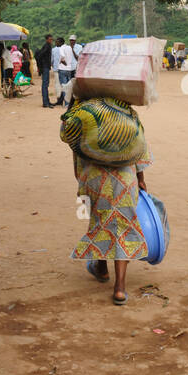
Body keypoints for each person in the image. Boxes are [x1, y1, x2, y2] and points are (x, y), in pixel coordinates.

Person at [66, 101, 154, 305]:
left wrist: (83, 183)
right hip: (125, 180)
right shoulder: (126, 113)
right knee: (122, 227)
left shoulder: (83, 114)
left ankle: (102, 268)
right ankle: (120, 288)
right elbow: (139, 149)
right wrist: (140, 179)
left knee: (100, 222)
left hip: (94, 179)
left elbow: (76, 156)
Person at [55, 36, 75, 106]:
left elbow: (62, 57)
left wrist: (63, 62)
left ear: (60, 42)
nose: (55, 43)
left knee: (64, 87)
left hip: (63, 69)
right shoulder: (69, 47)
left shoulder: (61, 48)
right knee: (69, 87)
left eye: (57, 42)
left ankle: (66, 103)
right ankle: (69, 103)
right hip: (69, 70)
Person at [36, 34, 55, 107]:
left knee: (46, 84)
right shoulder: (47, 46)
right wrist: (43, 64)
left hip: (45, 67)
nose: (51, 41)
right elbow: (41, 55)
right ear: (47, 39)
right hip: (45, 67)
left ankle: (47, 101)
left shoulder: (47, 45)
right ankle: (45, 102)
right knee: (45, 84)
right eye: (50, 39)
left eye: (51, 39)